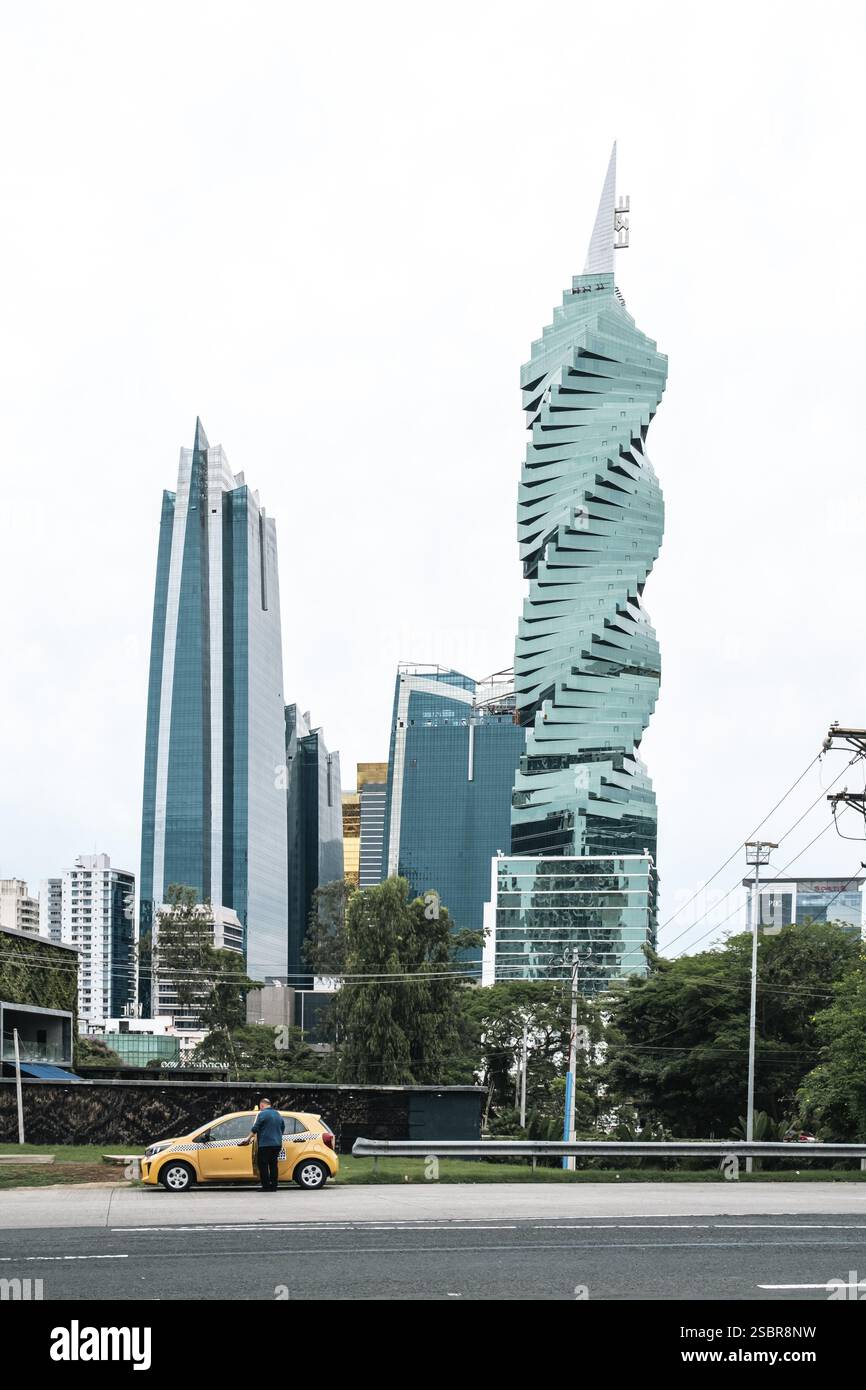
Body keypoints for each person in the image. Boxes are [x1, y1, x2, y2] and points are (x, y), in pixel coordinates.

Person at [242, 1098, 285, 1191]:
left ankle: (266, 1186)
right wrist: (277, 1136)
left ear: (262, 1105)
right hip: (277, 1144)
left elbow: (255, 1128)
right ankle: (274, 1186)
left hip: (265, 1144)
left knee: (263, 1165)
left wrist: (247, 1138)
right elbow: (282, 1127)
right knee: (273, 1165)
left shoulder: (262, 1114)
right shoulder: (278, 1114)